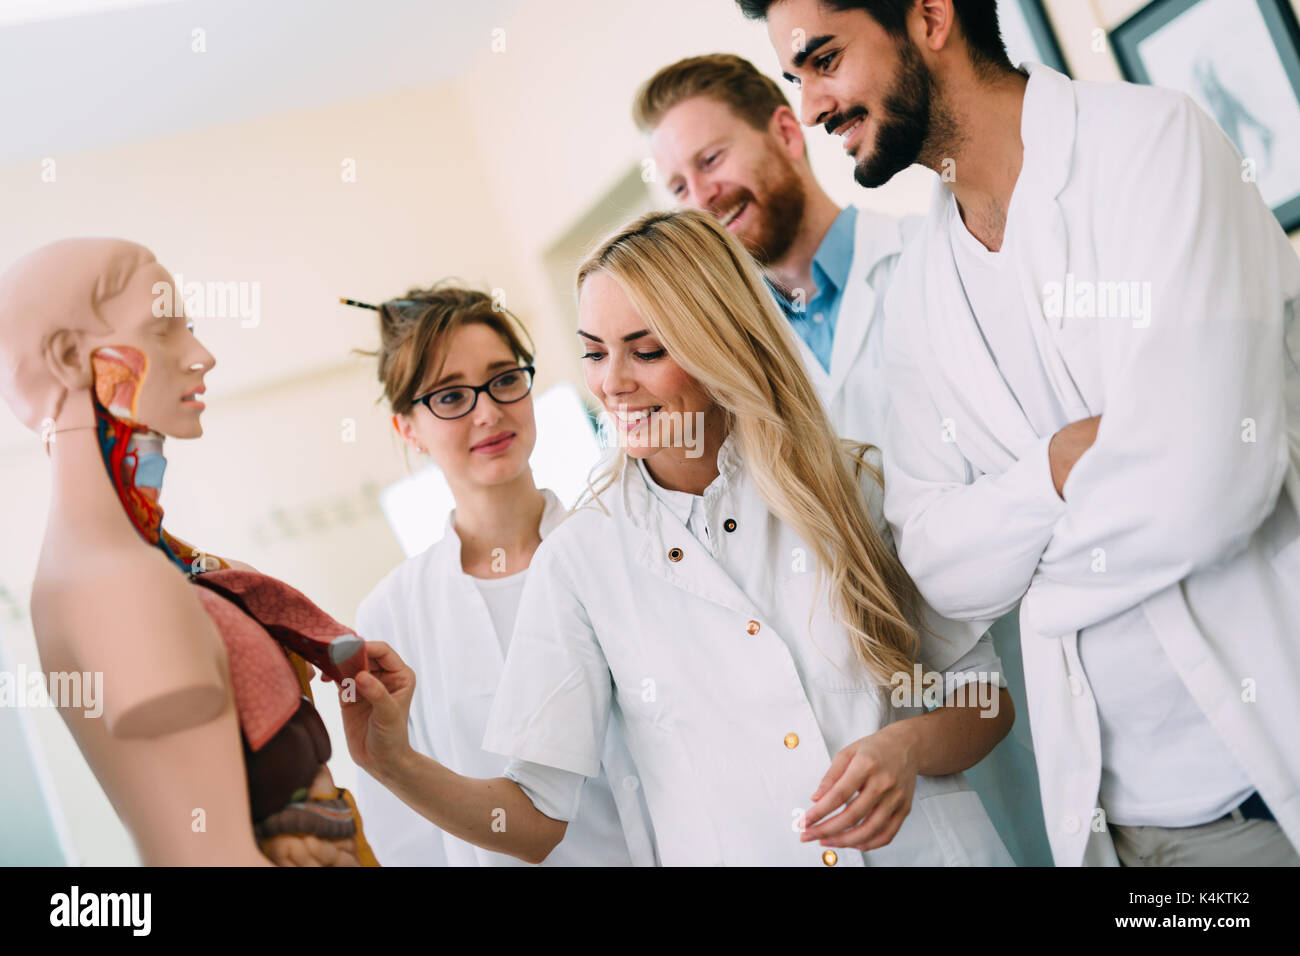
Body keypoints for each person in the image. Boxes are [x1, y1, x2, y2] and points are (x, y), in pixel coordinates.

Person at [741, 0, 1300, 865]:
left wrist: (1032, 582)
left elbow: (1208, 489)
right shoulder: (920, 290)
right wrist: (1050, 473)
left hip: (1269, 774)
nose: (812, 106)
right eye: (796, 77)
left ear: (931, 17)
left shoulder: (1152, 147)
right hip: (1132, 820)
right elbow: (937, 565)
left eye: (824, 60)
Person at [341, 209, 1015, 866]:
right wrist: (393, 762)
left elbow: (984, 700)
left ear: (721, 343)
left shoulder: (851, 486)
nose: (612, 383)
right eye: (594, 353)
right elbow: (537, 817)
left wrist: (905, 748)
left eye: (647, 351)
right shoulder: (581, 559)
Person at [635, 51, 1049, 864]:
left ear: (786, 132)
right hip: (892, 724)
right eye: (678, 186)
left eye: (711, 160)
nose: (702, 196)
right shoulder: (725, 378)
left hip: (1027, 650)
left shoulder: (934, 260)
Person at [0, 237, 377, 866]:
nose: (201, 355)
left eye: (190, 328)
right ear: (68, 357)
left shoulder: (149, 568)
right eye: (163, 329)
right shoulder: (120, 585)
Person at [350, 284, 656, 866]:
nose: (488, 412)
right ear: (407, 429)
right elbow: (404, 840)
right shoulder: (393, 614)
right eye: (449, 396)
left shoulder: (620, 548)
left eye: (504, 379)